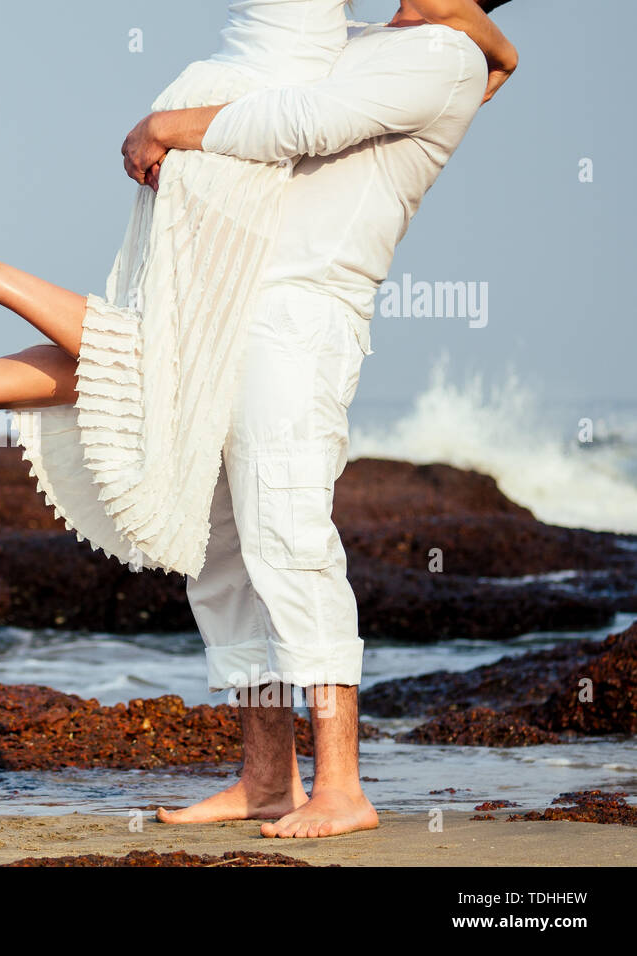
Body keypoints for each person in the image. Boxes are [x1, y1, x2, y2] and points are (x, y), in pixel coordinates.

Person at [143, 0, 516, 837]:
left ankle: (342, 787)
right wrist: (508, 50)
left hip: (301, 315)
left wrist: (167, 123)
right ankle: (266, 777)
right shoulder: (379, 42)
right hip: (236, 300)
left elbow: (302, 120)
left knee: (289, 534)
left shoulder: (447, 56)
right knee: (222, 546)